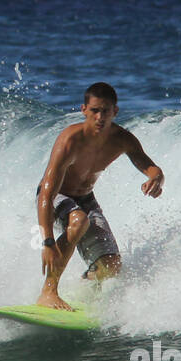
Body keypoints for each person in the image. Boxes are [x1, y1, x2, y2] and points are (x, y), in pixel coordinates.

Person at [35, 82, 164, 309]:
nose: (100, 117)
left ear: (115, 111)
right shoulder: (70, 140)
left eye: (106, 111)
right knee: (79, 220)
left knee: (111, 265)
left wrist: (156, 179)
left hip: (85, 198)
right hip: (56, 195)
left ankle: (84, 289)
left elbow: (150, 167)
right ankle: (48, 292)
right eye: (95, 110)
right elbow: (47, 191)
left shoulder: (122, 139)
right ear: (84, 109)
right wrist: (47, 241)